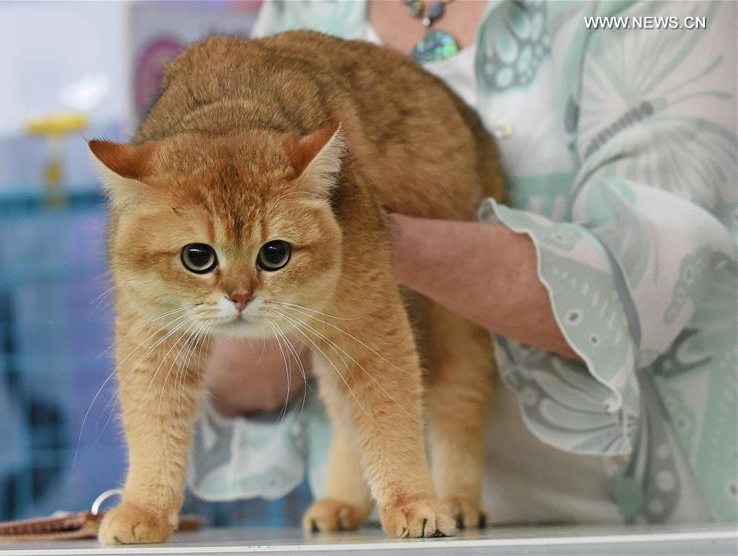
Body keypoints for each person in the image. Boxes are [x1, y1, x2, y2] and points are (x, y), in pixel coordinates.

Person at [188, 0, 737, 524]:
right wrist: (257, 267)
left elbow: (648, 283)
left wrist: (354, 239)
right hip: (378, 531)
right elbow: (239, 381)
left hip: (630, 520)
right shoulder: (301, 12)